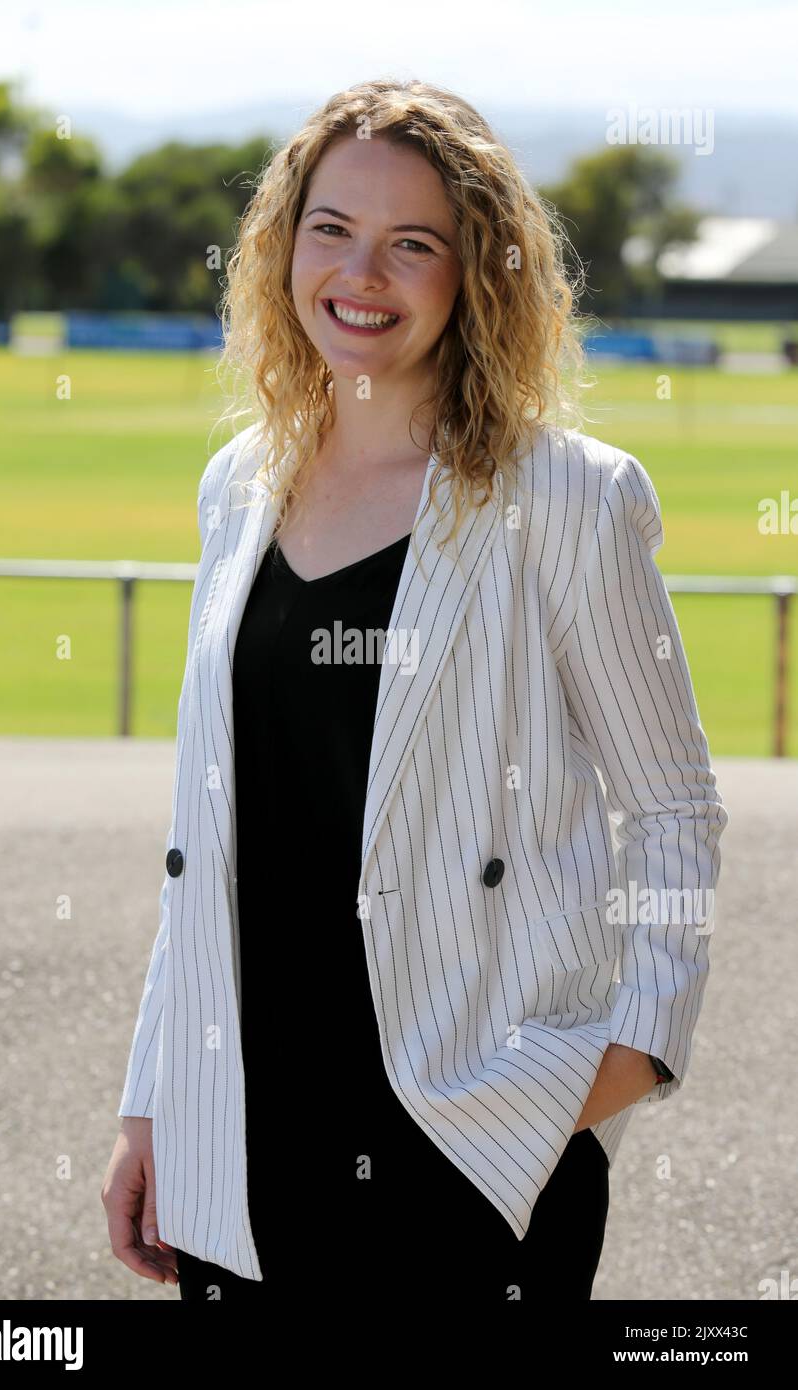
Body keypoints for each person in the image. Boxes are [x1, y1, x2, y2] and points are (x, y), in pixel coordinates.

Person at [101, 78, 728, 1311]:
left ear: (476, 272)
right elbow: (206, 845)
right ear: (283, 246)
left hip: (471, 1148)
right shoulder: (238, 484)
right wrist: (152, 1100)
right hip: (242, 1146)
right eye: (330, 228)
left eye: (412, 243)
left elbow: (673, 811)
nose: (361, 272)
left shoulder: (567, 499)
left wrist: (625, 1056)